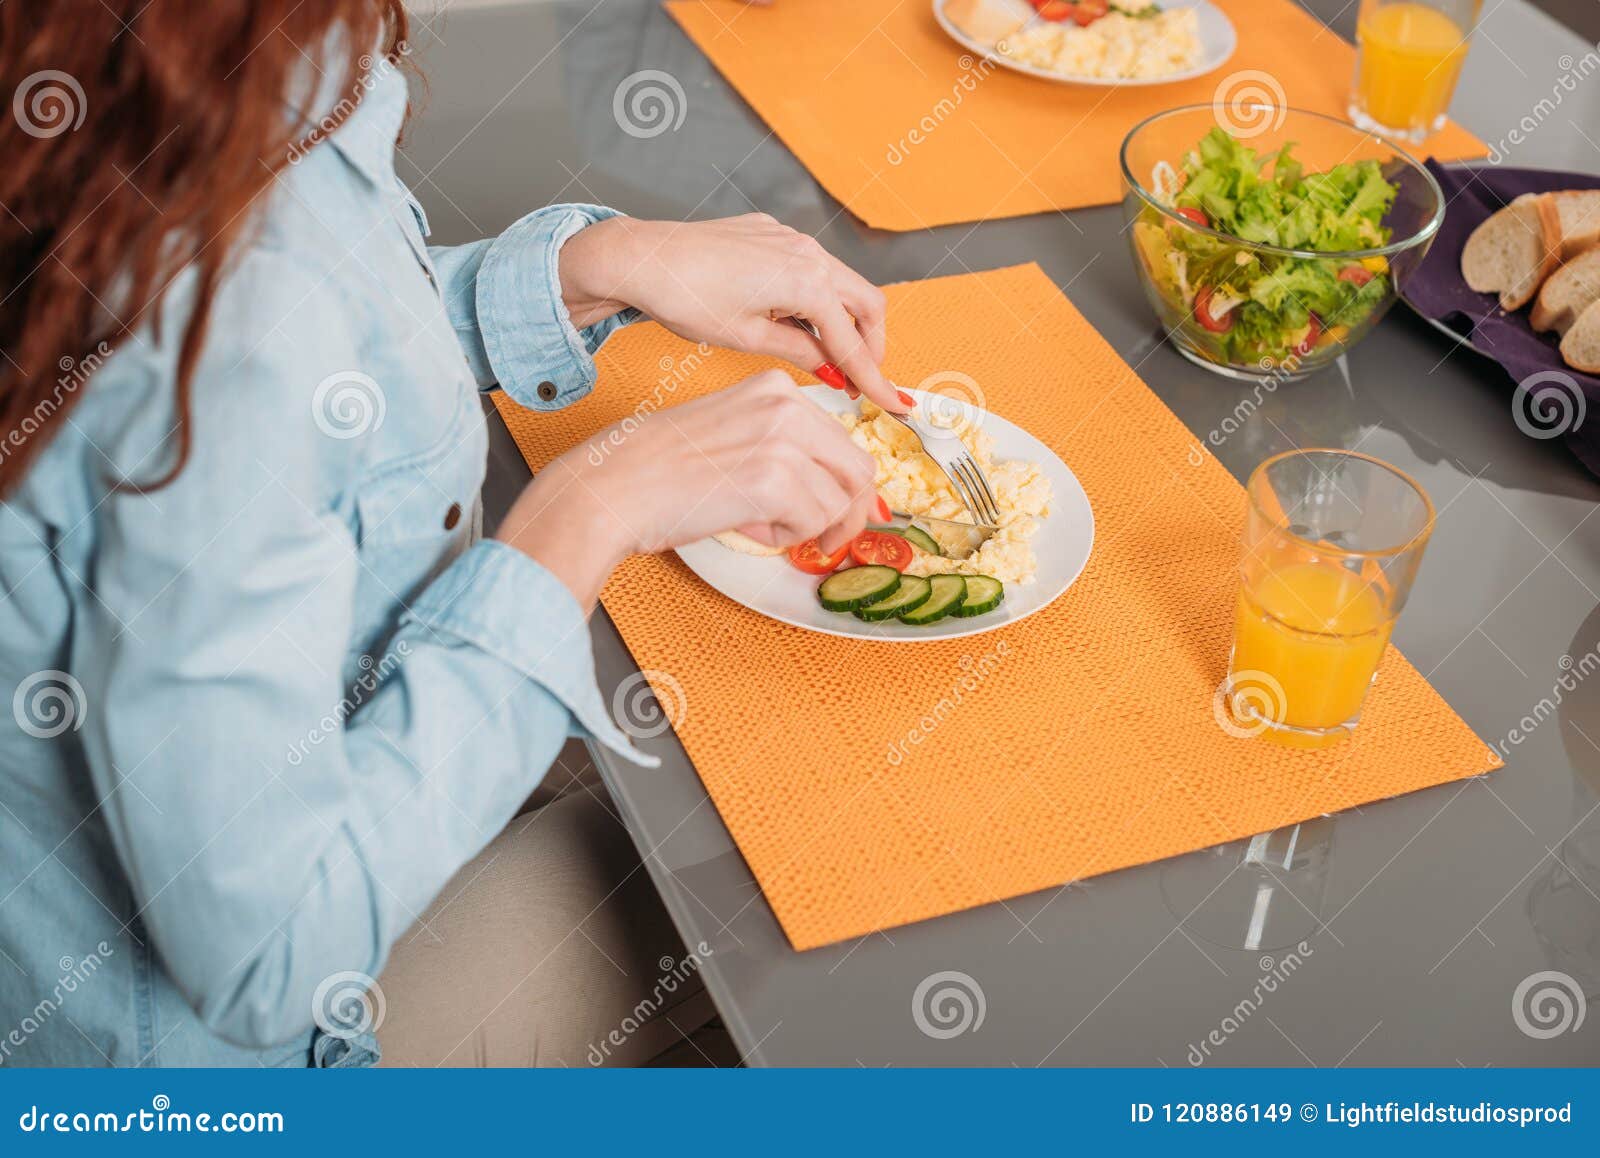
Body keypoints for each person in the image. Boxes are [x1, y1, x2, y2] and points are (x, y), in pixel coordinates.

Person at [0, 0, 902, 1067]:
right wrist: (591, 507)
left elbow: (325, 362)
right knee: (791, 853)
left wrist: (592, 267)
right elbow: (271, 963)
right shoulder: (219, 337)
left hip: (258, 775)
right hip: (228, 1055)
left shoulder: (161, 72)